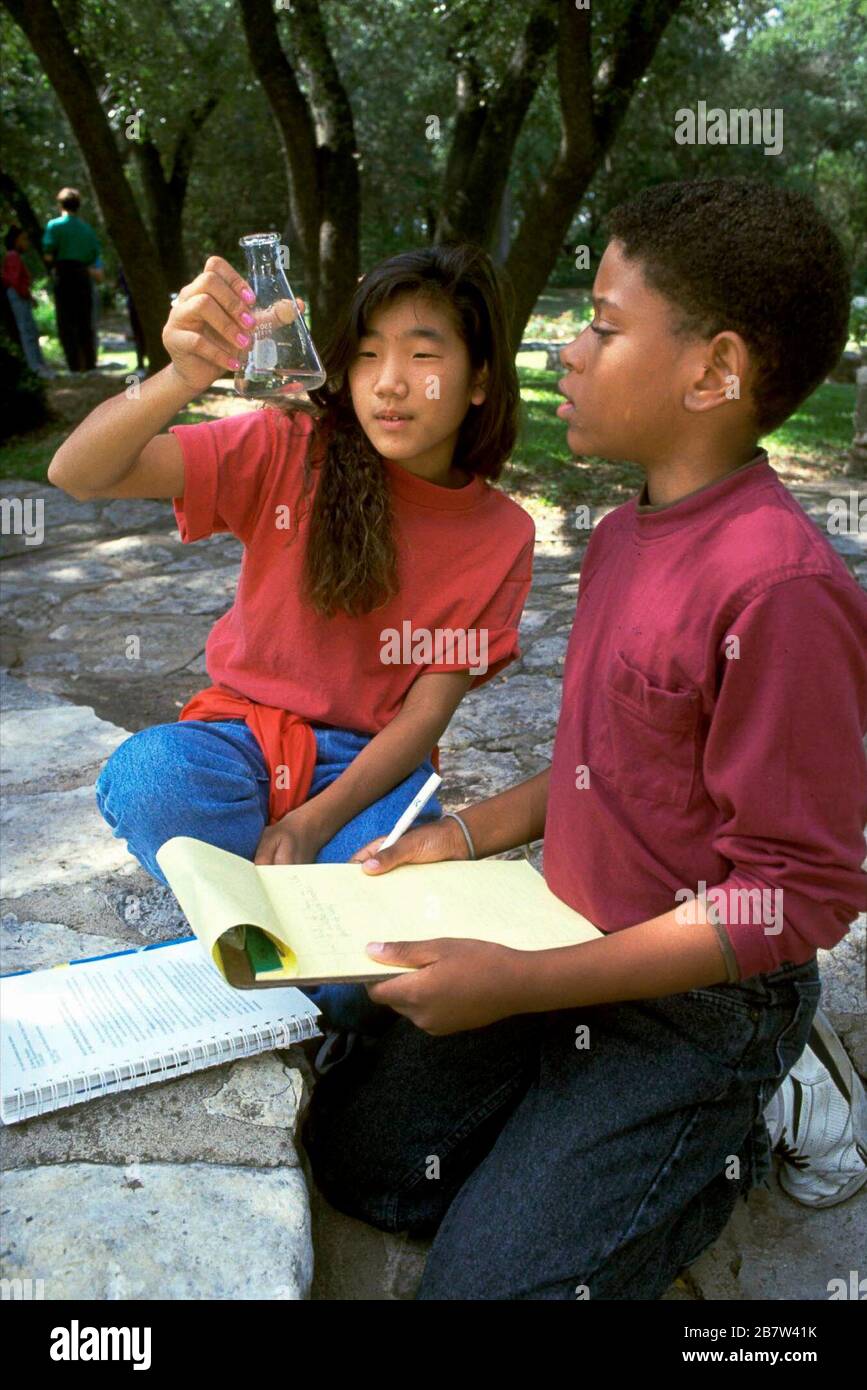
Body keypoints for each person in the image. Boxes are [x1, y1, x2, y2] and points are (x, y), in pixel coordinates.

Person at [298, 178, 867, 1299]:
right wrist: (455, 840)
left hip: (701, 998)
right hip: (561, 933)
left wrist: (522, 984)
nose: (565, 350)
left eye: (603, 326)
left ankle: (753, 1105)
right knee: (365, 1168)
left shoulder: (781, 590)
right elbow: (603, 763)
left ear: (714, 371)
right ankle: (580, 1107)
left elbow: (794, 896)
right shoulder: (620, 535)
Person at [46, 243, 536, 1031]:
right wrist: (183, 376)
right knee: (149, 777)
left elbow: (421, 718)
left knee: (373, 958)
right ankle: (264, 930)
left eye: (422, 354)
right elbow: (79, 472)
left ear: (480, 380)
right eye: (368, 353)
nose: (389, 382)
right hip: (239, 739)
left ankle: (281, 966)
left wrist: (312, 820)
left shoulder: (500, 534)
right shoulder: (286, 448)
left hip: (368, 770)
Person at [42, 186, 101, 372]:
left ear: (60, 204)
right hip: (83, 276)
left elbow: (48, 254)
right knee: (85, 321)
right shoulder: (87, 230)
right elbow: (94, 256)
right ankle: (90, 364)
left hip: (64, 275)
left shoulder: (54, 226)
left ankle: (74, 366)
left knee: (66, 322)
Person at [1, 225, 54, 378]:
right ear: (16, 240)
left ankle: (39, 364)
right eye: (24, 239)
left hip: (21, 296)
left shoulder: (14, 257)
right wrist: (25, 295)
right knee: (27, 332)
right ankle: (35, 367)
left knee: (31, 330)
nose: (27, 243)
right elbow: (14, 280)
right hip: (18, 296)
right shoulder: (12, 256)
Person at [117, 264, 146, 373]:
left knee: (139, 334)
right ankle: (140, 364)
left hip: (135, 303)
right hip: (134, 303)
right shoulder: (125, 266)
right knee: (139, 334)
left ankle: (141, 364)